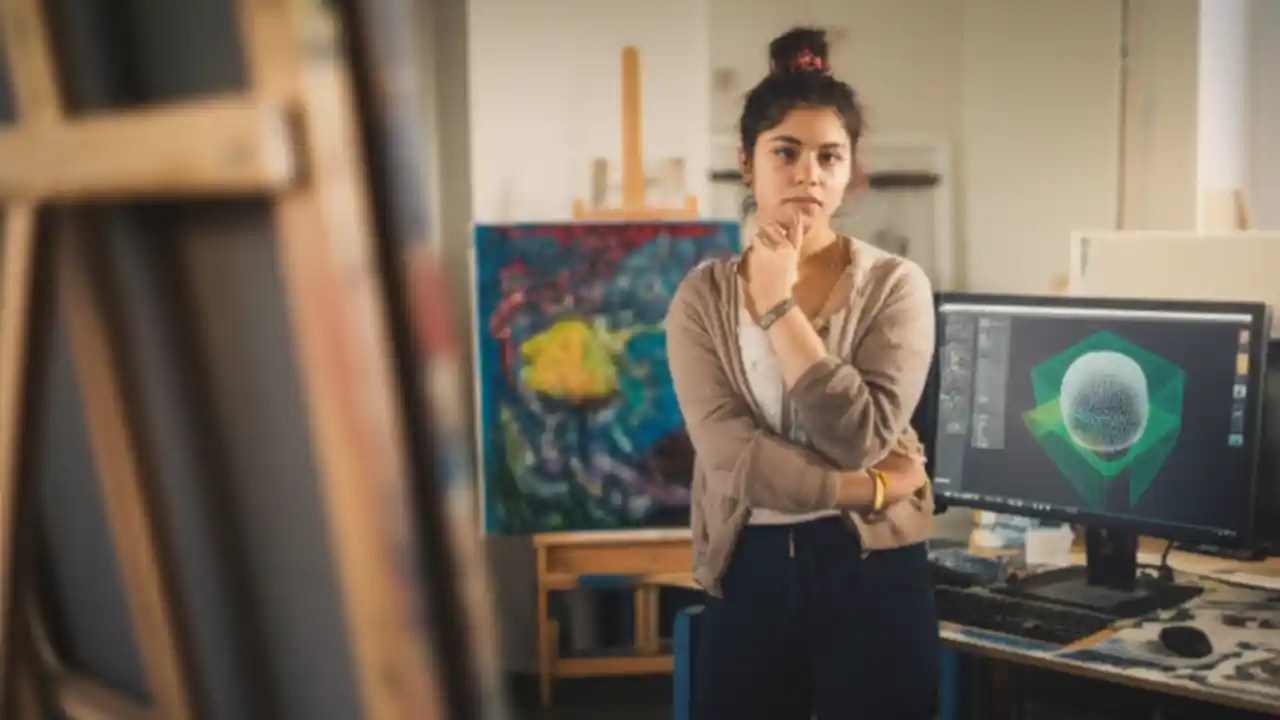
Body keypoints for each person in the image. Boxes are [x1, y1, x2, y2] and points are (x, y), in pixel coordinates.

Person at [665, 27, 940, 719]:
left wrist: (778, 305)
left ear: (849, 170)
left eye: (829, 155)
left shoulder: (897, 286)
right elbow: (733, 458)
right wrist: (872, 487)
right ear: (747, 161)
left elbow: (859, 432)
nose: (807, 173)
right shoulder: (700, 297)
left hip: (876, 569)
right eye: (785, 151)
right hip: (750, 565)